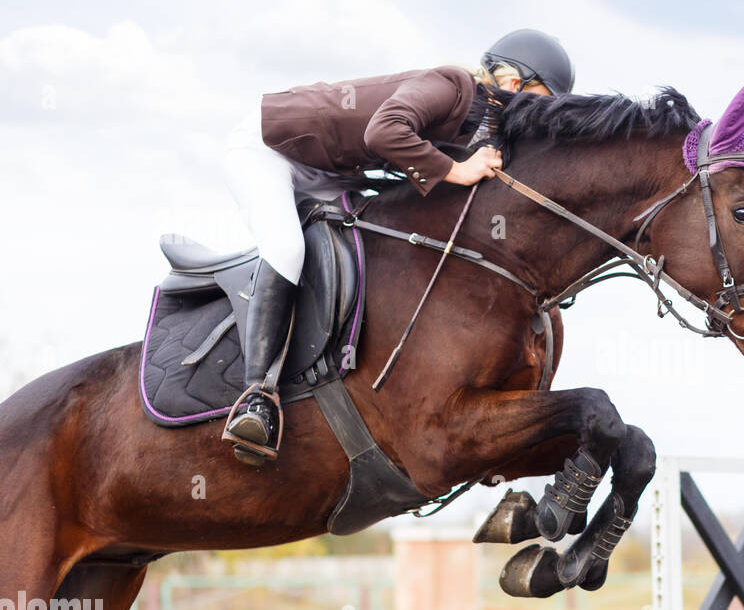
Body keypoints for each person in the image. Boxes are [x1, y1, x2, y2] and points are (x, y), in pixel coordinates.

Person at [220, 29, 575, 465]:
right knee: (287, 248)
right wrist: (457, 170)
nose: (542, 113)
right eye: (543, 97)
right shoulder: (452, 86)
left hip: (329, 172)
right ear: (512, 81)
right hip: (268, 148)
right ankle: (256, 397)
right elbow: (382, 131)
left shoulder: (482, 128)